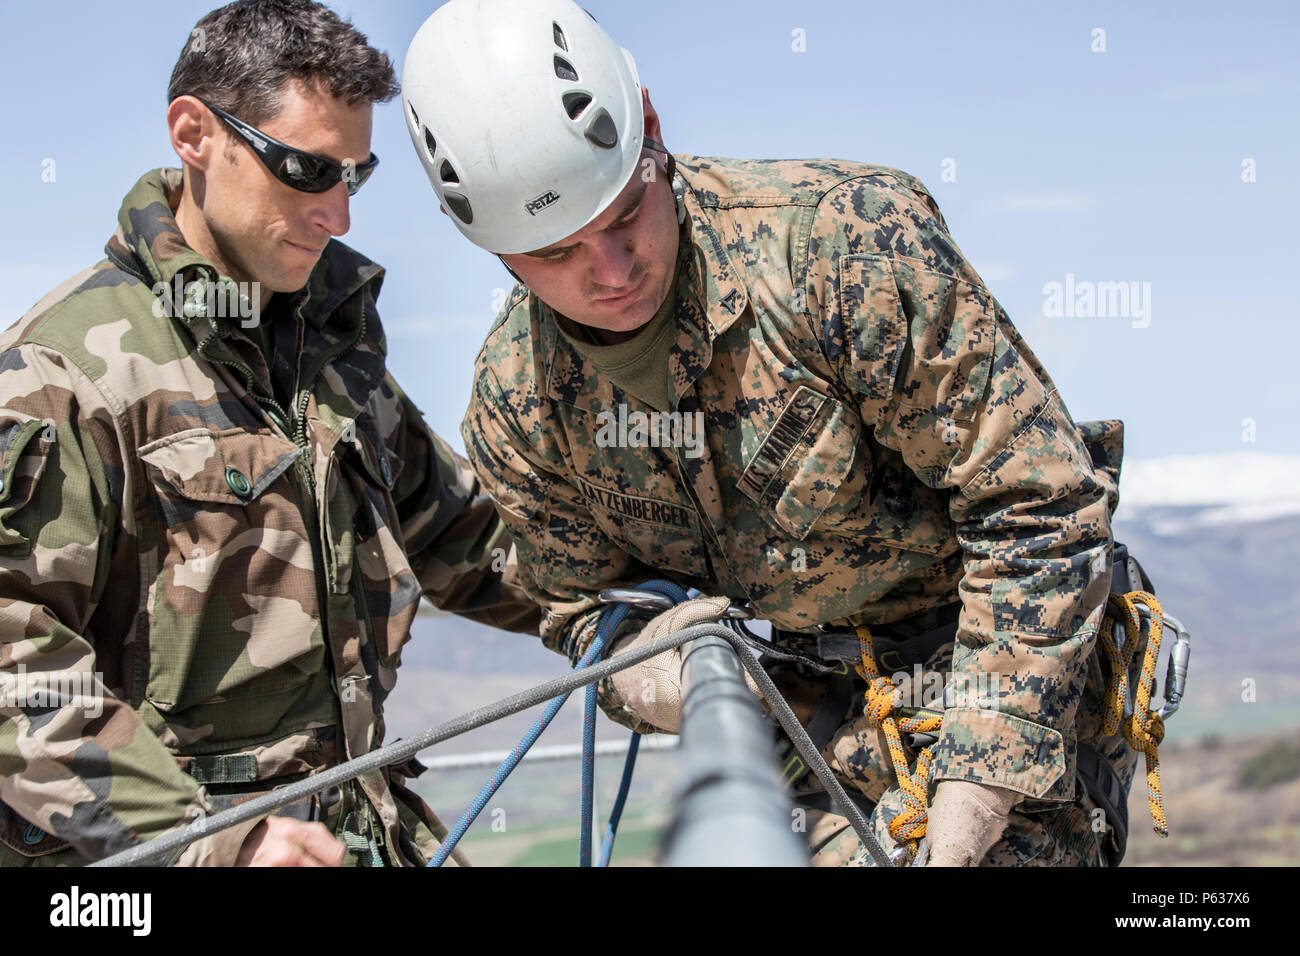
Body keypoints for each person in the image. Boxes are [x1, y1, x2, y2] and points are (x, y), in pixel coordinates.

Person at [403, 0, 1157, 866]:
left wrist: (982, 779)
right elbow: (580, 608)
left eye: (622, 217)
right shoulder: (517, 404)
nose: (610, 274)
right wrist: (654, 665)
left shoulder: (846, 250)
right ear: (487, 247)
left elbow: (1037, 506)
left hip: (996, 665)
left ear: (650, 128)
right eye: (556, 255)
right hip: (802, 723)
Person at [0, 0, 538, 868]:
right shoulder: (64, 372)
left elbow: (471, 543)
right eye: (305, 169)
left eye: (354, 177)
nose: (339, 215)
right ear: (193, 134)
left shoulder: (329, 359)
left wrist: (628, 624)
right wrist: (215, 843)